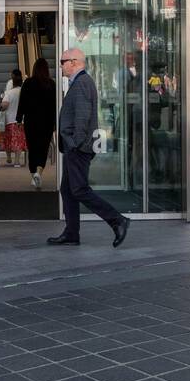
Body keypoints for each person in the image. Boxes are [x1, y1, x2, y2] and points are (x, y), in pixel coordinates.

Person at [47, 48, 130, 248]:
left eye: (62, 61)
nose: (61, 65)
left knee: (80, 190)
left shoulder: (82, 83)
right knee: (67, 190)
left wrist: (75, 144)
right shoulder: (79, 82)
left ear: (74, 62)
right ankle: (72, 233)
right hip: (74, 147)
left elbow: (82, 118)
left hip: (78, 147)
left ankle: (117, 220)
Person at [16, 57, 56, 189]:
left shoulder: (28, 82)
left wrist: (18, 118)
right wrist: (55, 122)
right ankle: (39, 172)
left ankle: (34, 175)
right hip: (47, 122)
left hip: (31, 121)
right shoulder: (51, 84)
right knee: (43, 148)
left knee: (32, 148)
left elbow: (22, 101)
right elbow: (54, 105)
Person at [0, 69, 25, 166]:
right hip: (20, 121)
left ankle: (9, 157)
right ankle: (17, 161)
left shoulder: (9, 93)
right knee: (18, 141)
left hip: (9, 120)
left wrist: (1, 103)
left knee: (8, 139)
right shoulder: (23, 92)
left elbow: (4, 105)